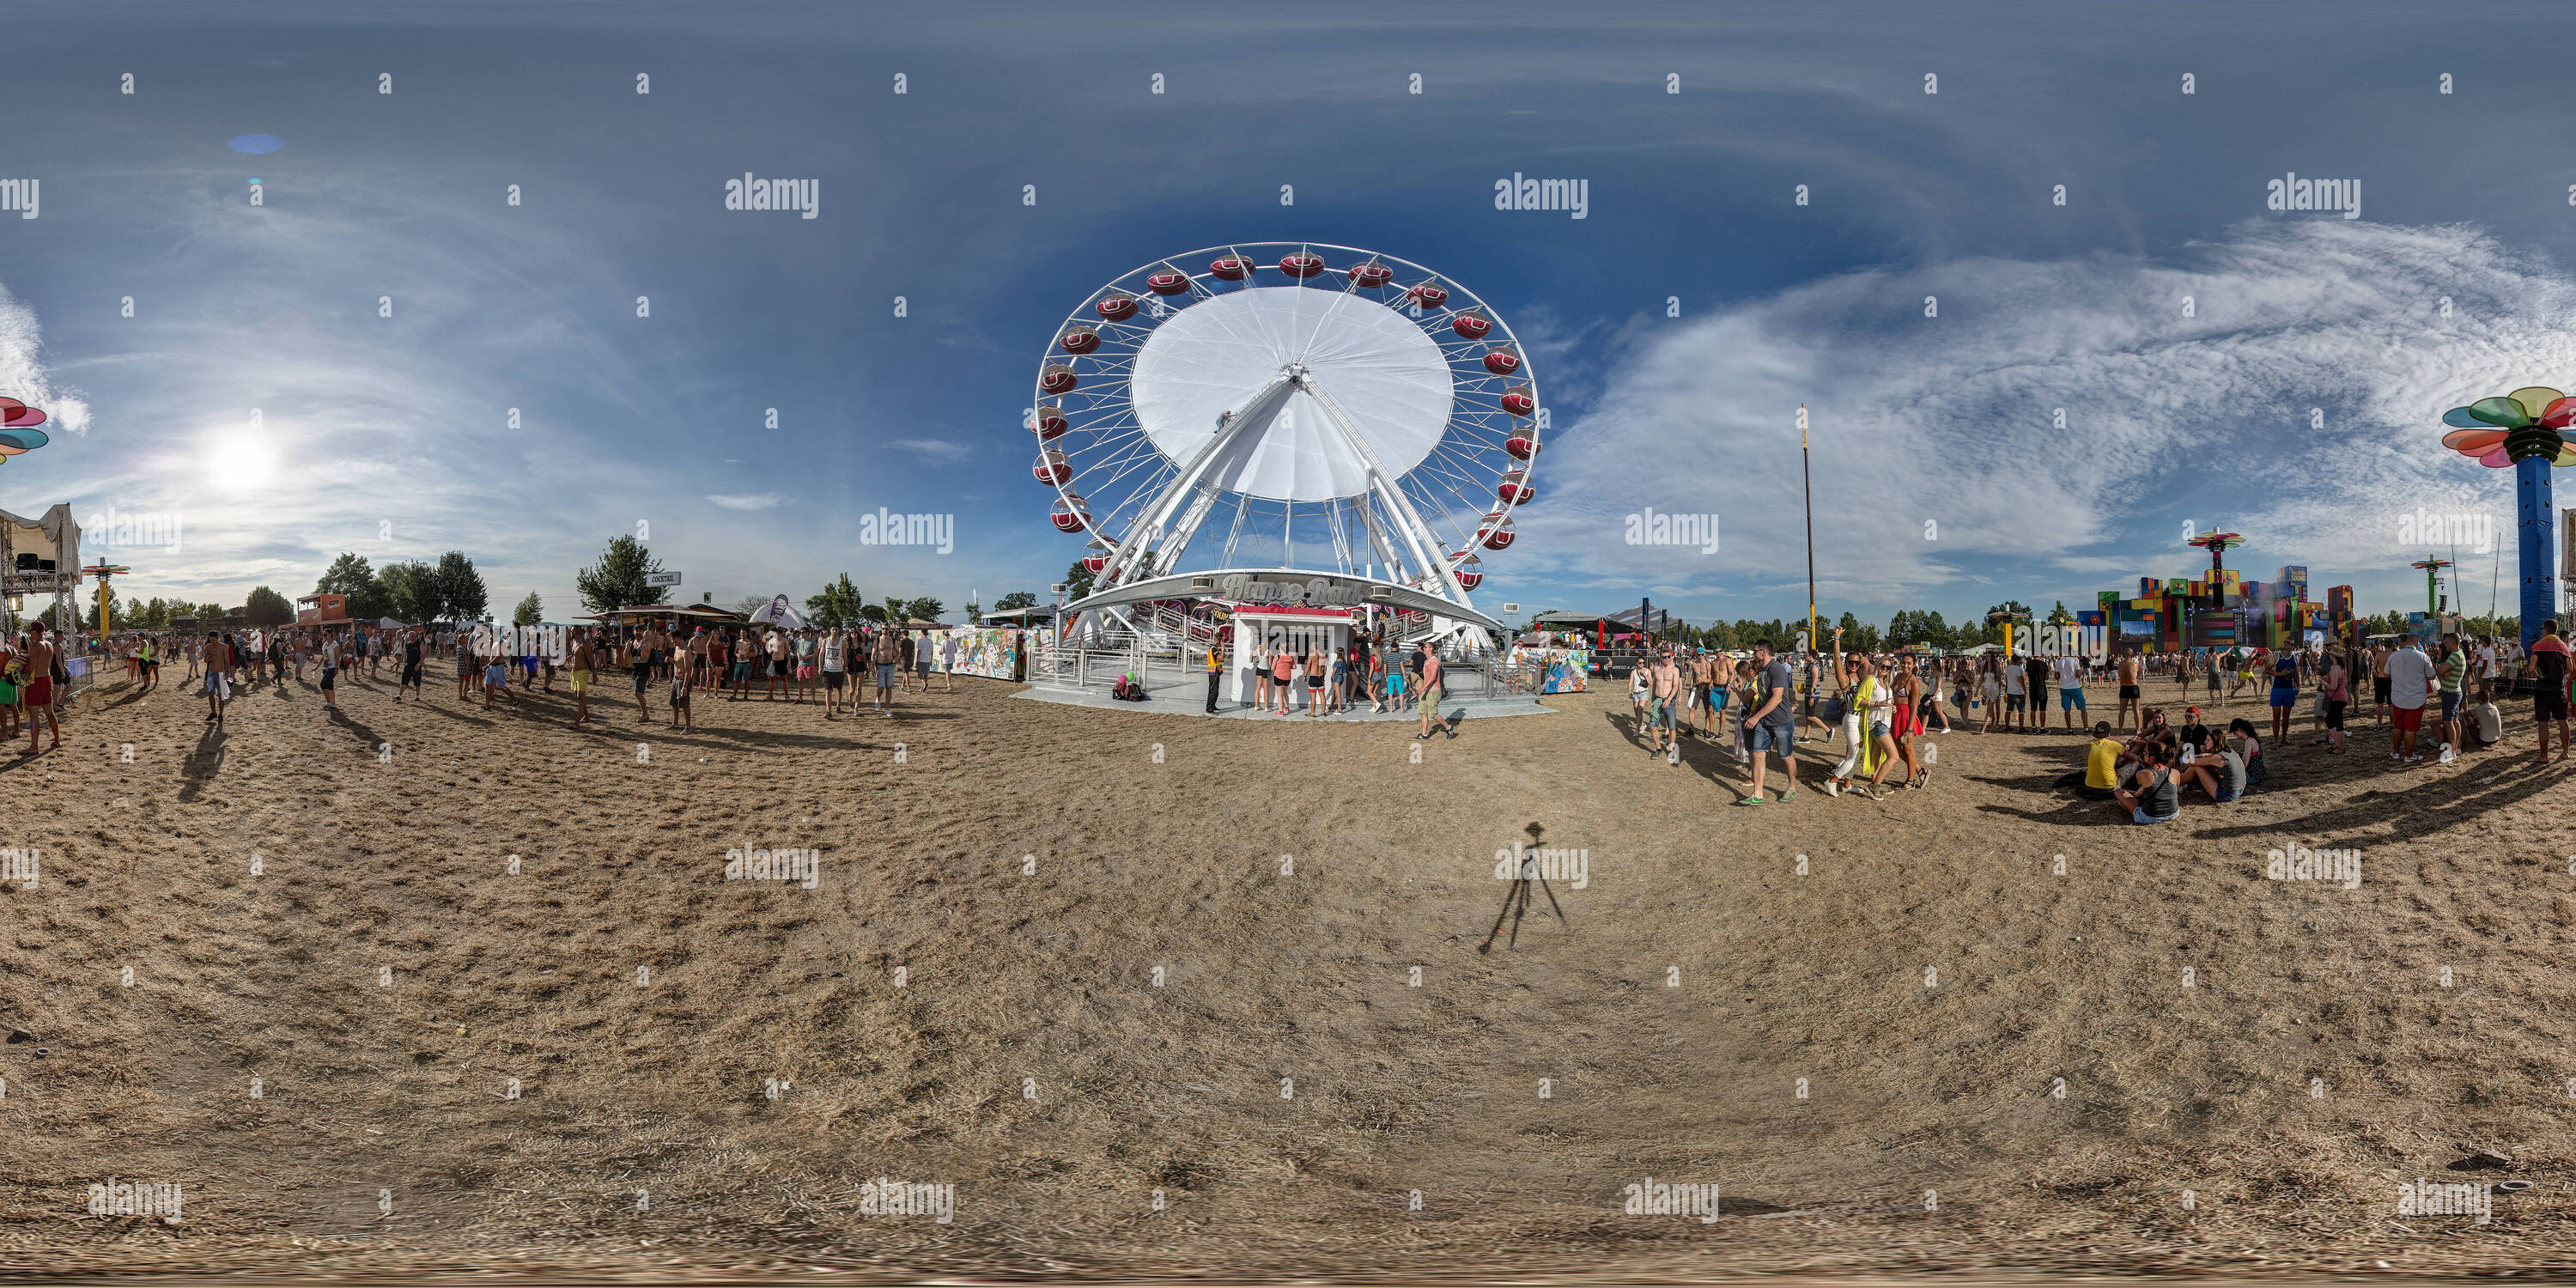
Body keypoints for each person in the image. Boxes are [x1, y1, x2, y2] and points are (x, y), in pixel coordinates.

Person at [1739, 640, 1800, 805]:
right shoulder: (1762, 669)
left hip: (1782, 721)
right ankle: (1757, 794)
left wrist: (1756, 717)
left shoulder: (1777, 669)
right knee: (1758, 754)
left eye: (1755, 651)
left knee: (1786, 756)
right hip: (1764, 722)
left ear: (1763, 652)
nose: (1753, 654)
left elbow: (1777, 698)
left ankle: (1792, 787)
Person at [2385, 634, 2438, 763]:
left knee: (2398, 726)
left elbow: (2386, 674)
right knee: (2410, 728)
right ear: (2417, 642)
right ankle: (2409, 755)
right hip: (2416, 698)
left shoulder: (2393, 656)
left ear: (2405, 642)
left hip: (2398, 697)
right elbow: (2431, 677)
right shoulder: (2423, 657)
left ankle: (2396, 752)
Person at [2530, 620, 2572, 765]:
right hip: (2559, 689)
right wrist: (2559, 675)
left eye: (2542, 628)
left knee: (2543, 723)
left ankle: (2544, 756)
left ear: (2545, 630)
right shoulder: (2563, 646)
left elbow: (2531, 668)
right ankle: (2565, 752)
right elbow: (2571, 667)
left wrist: (2541, 675)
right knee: (2563, 721)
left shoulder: (2539, 646)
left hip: (2543, 689)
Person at [2111, 740, 2182, 824]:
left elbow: (2142, 791)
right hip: (2173, 813)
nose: (2144, 755)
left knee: (2118, 792)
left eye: (2145, 752)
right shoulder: (2176, 772)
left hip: (2150, 817)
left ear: (2151, 757)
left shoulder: (2142, 774)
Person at [21, 622, 60, 754]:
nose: (30, 633)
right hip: (46, 679)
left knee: (34, 716)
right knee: (50, 713)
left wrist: (19, 668)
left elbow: (30, 668)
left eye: (31, 630)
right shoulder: (49, 645)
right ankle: (57, 740)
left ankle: (34, 747)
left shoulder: (36, 646)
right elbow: (47, 664)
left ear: (34, 631)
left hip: (36, 682)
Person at [2437, 631, 2471, 762]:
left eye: (2446, 643)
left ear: (2452, 643)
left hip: (2450, 692)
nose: (2445, 645)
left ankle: (2451, 752)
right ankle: (2456, 748)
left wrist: (2440, 665)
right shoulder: (2459, 654)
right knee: (2455, 720)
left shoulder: (2455, 656)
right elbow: (2443, 671)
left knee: (2448, 721)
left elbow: (2440, 671)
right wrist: (2444, 671)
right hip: (2455, 691)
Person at [1414, 645, 1451, 741]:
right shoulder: (1427, 661)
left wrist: (1422, 688)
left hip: (1433, 691)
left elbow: (1434, 677)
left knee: (1433, 714)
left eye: (1426, 647)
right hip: (1426, 690)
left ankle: (1449, 728)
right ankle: (1424, 734)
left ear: (1431, 649)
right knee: (1423, 712)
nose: (1424, 648)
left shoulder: (1434, 661)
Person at [2266, 644, 2300, 744]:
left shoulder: (2294, 657)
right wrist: (2281, 673)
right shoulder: (2276, 656)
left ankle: (2284, 739)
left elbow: (2296, 672)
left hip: (2289, 690)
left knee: (2286, 717)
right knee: (2276, 716)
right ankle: (2276, 741)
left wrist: (2298, 686)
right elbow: (2267, 669)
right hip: (2277, 689)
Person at [869, 620, 900, 716]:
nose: (885, 630)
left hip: (890, 665)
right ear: (881, 630)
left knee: (889, 687)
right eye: (883, 629)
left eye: (887, 629)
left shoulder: (893, 640)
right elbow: (873, 653)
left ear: (889, 629)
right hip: (880, 665)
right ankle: (877, 699)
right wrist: (872, 667)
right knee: (881, 687)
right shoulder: (877, 640)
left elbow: (898, 651)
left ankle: (887, 709)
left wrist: (896, 659)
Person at [2052, 651, 2086, 731]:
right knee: (2083, 708)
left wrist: (2063, 676)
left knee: (2067, 710)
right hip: (2075, 687)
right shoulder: (2075, 661)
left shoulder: (2059, 662)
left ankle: (2069, 729)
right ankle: (2086, 728)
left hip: (2064, 687)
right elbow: (2078, 675)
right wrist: (2080, 672)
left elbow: (2056, 676)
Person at [568, 629, 597, 724]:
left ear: (577, 632)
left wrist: (594, 674)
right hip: (574, 672)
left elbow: (591, 660)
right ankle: (586, 716)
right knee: (578, 697)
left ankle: (577, 722)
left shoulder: (584, 644)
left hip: (582, 672)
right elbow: (574, 656)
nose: (570, 632)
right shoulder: (574, 643)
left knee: (581, 696)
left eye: (572, 631)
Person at [2466, 684, 2504, 750]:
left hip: (2484, 741)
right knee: (2481, 719)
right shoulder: (2494, 707)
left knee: (2470, 721)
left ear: (2480, 700)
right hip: (2497, 738)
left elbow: (2466, 714)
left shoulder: (2477, 709)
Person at [2115, 651, 2142, 732]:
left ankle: (2120, 730)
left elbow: (2119, 675)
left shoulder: (2120, 665)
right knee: (2136, 709)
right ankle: (2138, 729)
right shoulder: (2135, 665)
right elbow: (2138, 675)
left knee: (2122, 710)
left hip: (2124, 687)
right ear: (2132, 655)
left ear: (2125, 654)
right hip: (2133, 687)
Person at [319, 633, 341, 710]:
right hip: (325, 667)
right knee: (329, 686)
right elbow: (323, 656)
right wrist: (317, 666)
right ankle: (332, 703)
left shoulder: (335, 644)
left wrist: (337, 667)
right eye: (323, 634)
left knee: (323, 684)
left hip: (332, 667)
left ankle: (329, 702)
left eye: (326, 634)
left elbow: (338, 656)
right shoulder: (324, 645)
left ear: (330, 635)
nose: (324, 636)